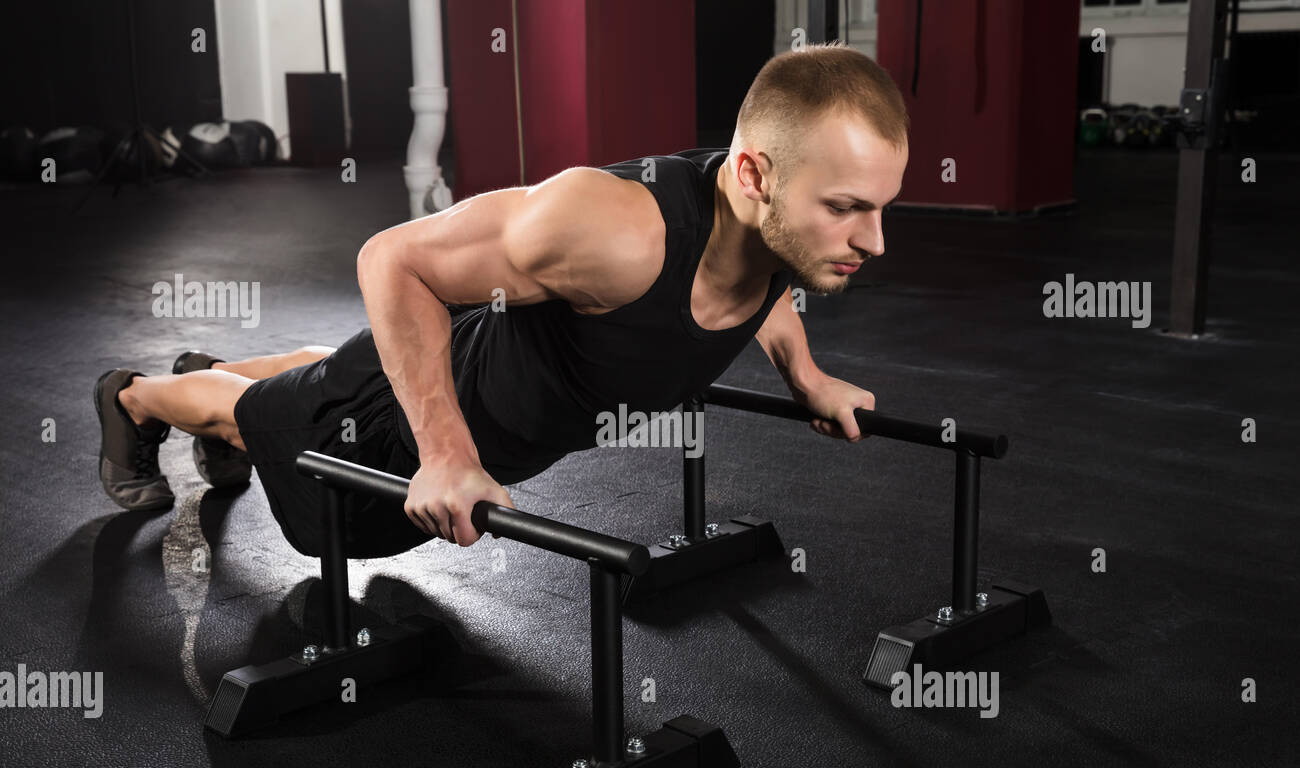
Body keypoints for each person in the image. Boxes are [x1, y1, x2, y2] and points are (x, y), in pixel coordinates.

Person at [93, 42, 909, 558]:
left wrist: (806, 375)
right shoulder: (615, 231)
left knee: (335, 371)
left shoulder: (762, 226)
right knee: (260, 419)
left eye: (882, 206)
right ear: (757, 175)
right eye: (845, 209)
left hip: (454, 373)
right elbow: (392, 259)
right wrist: (445, 453)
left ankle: (213, 372)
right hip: (409, 426)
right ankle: (137, 397)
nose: (873, 241)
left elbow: (760, 274)